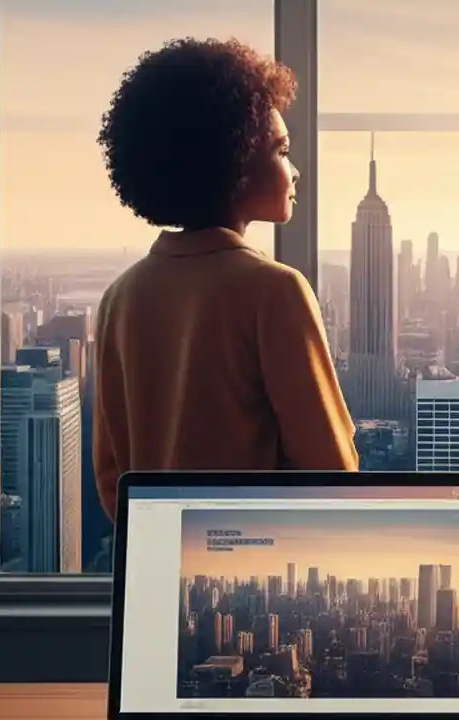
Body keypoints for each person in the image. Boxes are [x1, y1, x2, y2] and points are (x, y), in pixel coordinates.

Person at [92, 38, 358, 521]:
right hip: (252, 577)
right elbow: (333, 469)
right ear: (234, 163)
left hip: (153, 573)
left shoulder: (120, 297)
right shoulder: (274, 291)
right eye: (281, 150)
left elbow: (113, 483)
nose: (295, 171)